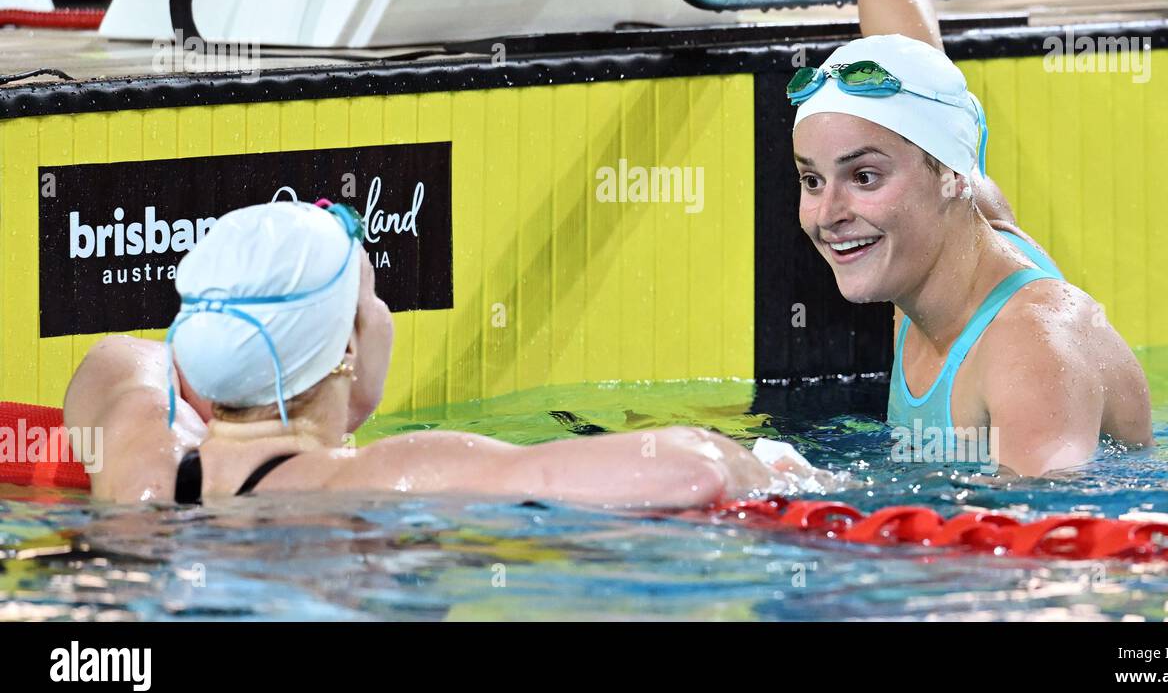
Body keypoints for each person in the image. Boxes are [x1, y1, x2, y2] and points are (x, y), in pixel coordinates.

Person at [793, 0, 1152, 476]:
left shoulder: (1032, 343)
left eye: (863, 177)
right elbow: (910, 54)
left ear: (953, 174)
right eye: (813, 179)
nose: (828, 215)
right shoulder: (934, 241)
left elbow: (1044, 559)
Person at [63, 199, 815, 506]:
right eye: (370, 303)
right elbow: (694, 471)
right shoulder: (378, 475)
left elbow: (131, 358)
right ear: (349, 347)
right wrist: (767, 465)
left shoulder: (139, 454)